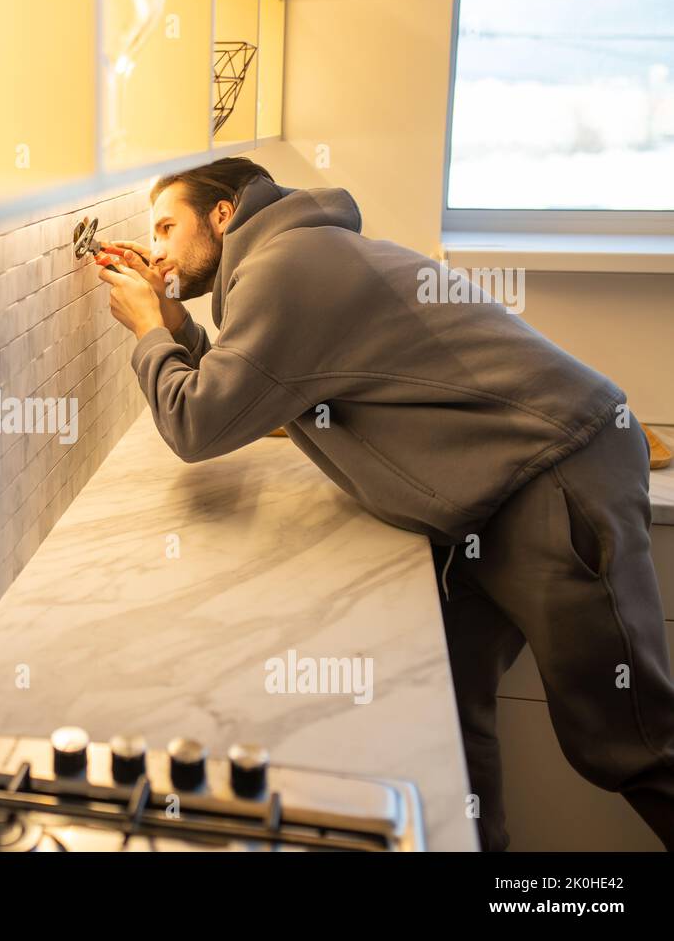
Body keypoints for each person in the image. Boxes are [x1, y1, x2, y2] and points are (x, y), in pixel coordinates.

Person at [96, 155, 674, 851]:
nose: (155, 249)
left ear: (224, 214)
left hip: (558, 474)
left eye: (165, 226)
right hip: (500, 498)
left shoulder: (288, 267)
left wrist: (147, 330)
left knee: (630, 738)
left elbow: (198, 422)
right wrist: (172, 326)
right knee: (448, 719)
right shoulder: (291, 257)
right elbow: (250, 382)